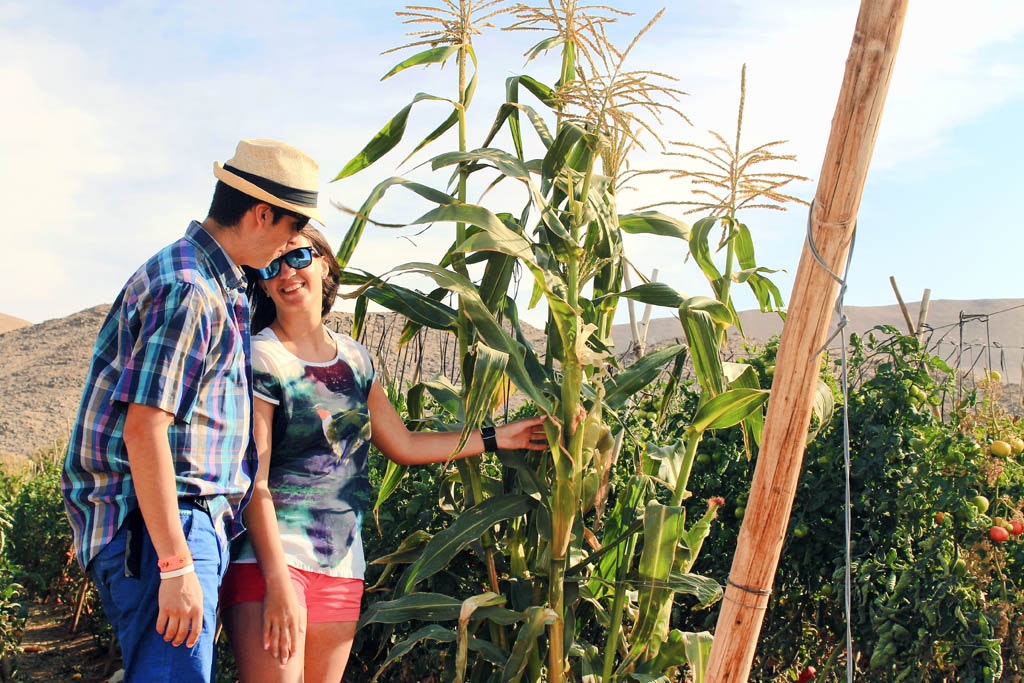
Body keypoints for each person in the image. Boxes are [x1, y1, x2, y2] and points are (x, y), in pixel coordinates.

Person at [219, 226, 549, 683]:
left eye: (296, 258)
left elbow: (405, 444)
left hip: (341, 566)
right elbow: (254, 479)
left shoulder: (356, 360)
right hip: (270, 565)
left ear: (324, 263)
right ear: (260, 281)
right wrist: (277, 585)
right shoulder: (262, 357)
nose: (285, 274)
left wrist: (499, 437)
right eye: (269, 266)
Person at [61, 139, 326, 683]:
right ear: (260, 214)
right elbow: (144, 430)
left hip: (172, 522)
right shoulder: (189, 290)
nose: (288, 247)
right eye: (288, 230)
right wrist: (176, 563)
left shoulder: (216, 282)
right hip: (161, 523)